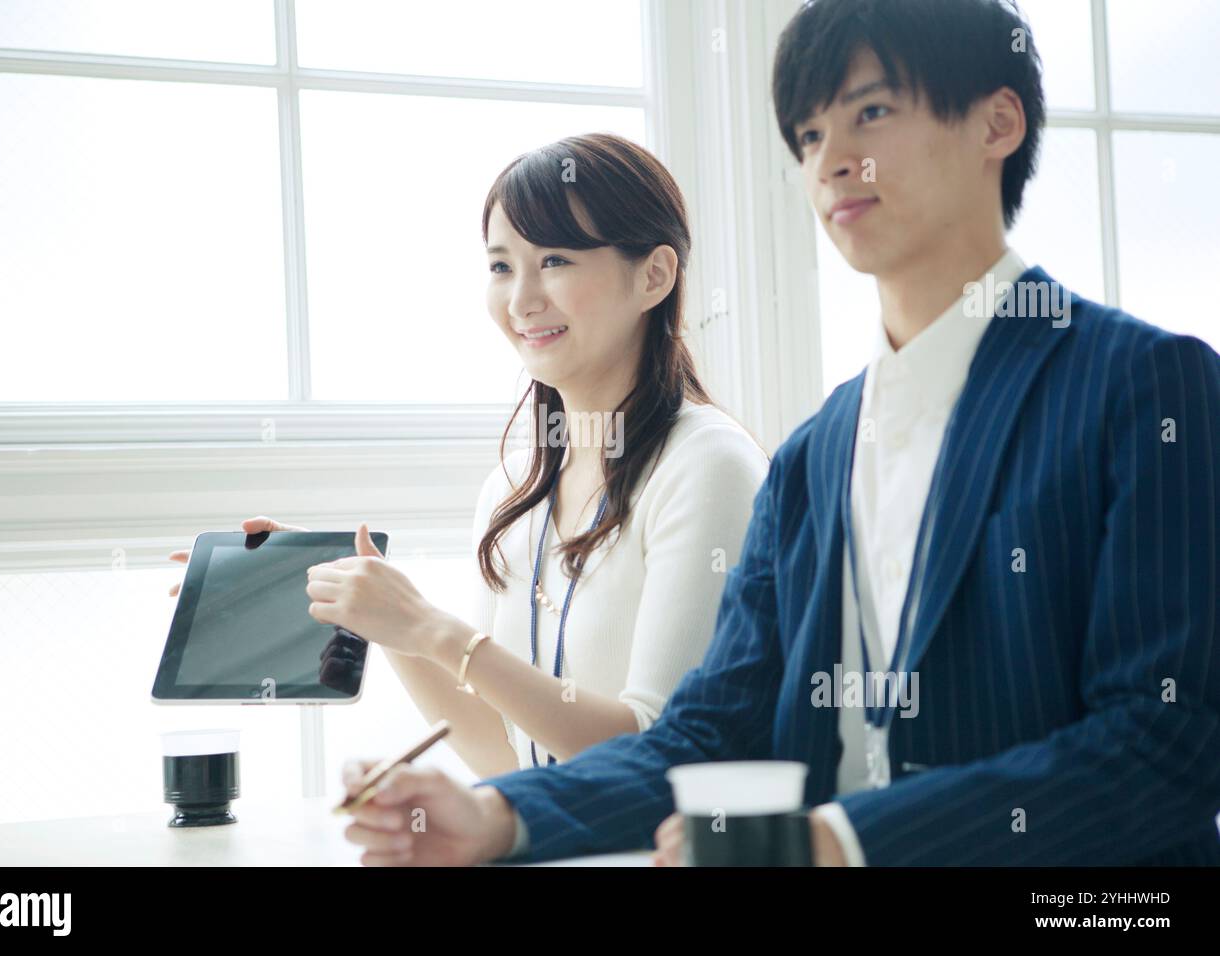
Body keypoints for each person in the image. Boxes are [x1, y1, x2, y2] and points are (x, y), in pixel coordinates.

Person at [337, 0, 1220, 867]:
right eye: (806, 136)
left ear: (996, 123)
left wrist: (840, 840)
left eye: (870, 112)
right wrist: (493, 819)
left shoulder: (1145, 386)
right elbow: (704, 734)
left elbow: (1164, 744)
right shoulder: (814, 455)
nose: (832, 160)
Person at [170, 132, 769, 781]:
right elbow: (505, 755)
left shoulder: (709, 466)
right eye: (502, 266)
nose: (522, 301)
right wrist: (382, 619)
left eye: (557, 261)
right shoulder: (513, 490)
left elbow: (659, 752)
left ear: (654, 275)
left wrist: (432, 628)